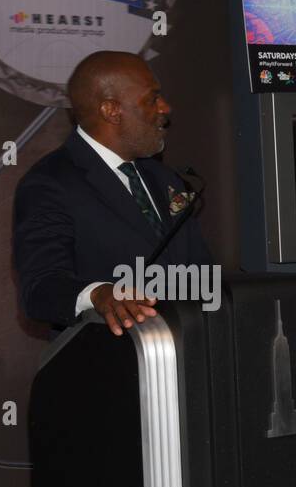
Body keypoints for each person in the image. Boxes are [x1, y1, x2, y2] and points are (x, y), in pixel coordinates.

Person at [12, 50, 213, 336]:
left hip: (186, 354)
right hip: (109, 363)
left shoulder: (165, 178)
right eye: (152, 98)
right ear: (111, 110)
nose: (165, 107)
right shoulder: (49, 183)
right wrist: (98, 295)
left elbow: (201, 273)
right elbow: (40, 289)